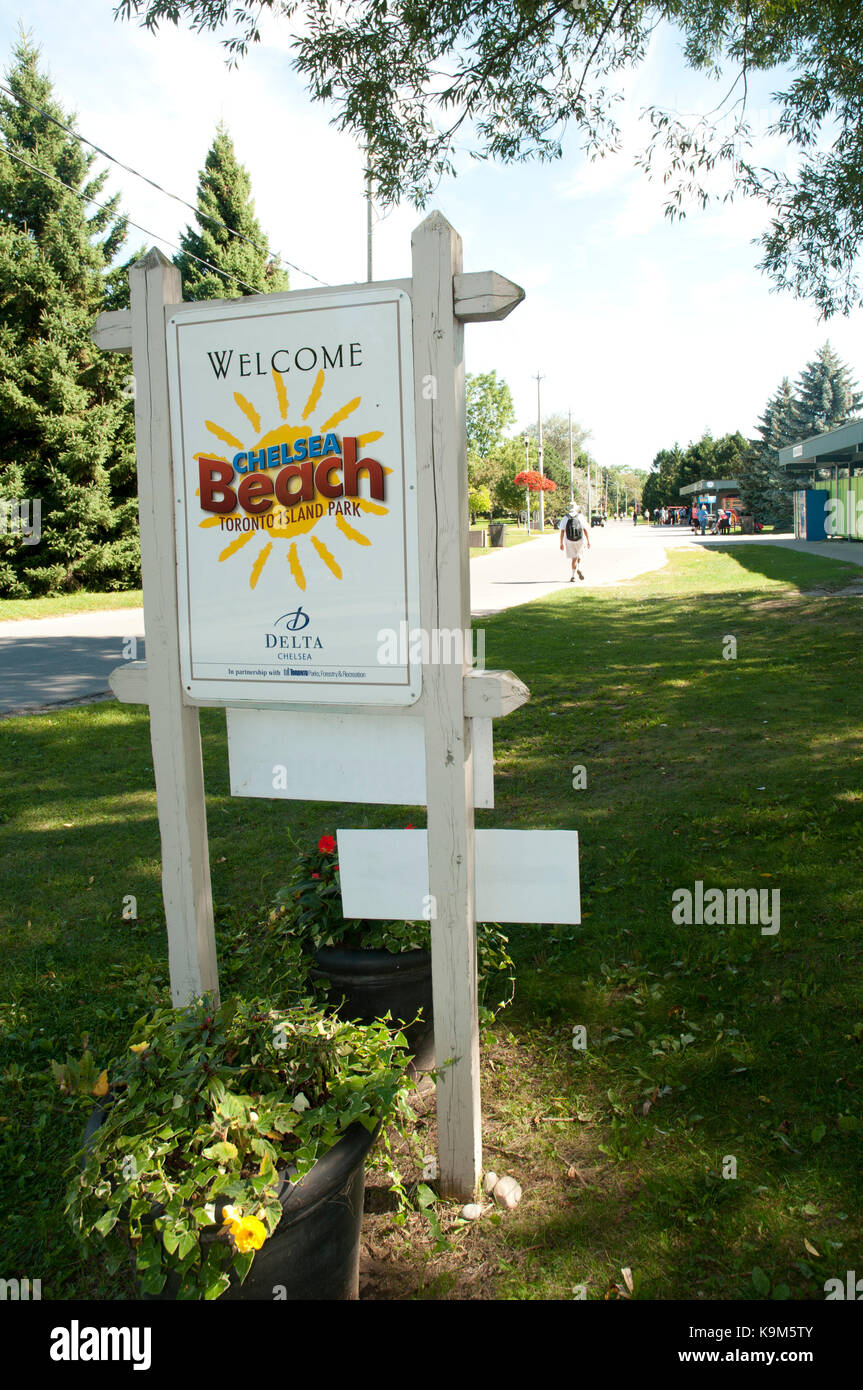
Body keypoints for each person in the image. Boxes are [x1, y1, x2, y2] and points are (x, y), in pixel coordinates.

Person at [559, 503, 592, 582]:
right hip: (580, 539)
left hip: (569, 540)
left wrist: (561, 543)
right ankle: (579, 568)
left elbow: (562, 531)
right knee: (579, 555)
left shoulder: (565, 518)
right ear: (576, 508)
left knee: (574, 558)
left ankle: (573, 576)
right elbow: (585, 529)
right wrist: (588, 541)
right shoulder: (580, 516)